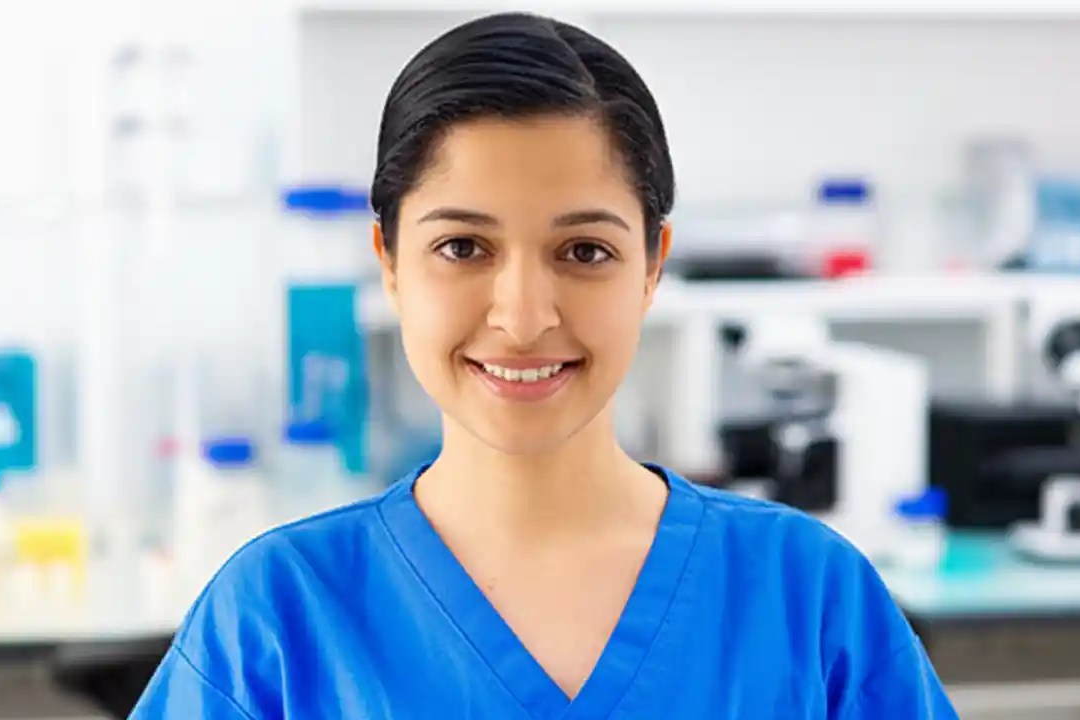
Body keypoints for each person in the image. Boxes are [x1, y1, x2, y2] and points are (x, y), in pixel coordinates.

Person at [131, 12, 957, 719]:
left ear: (652, 264)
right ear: (388, 260)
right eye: (462, 247)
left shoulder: (807, 600)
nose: (523, 317)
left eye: (584, 250)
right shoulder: (278, 617)